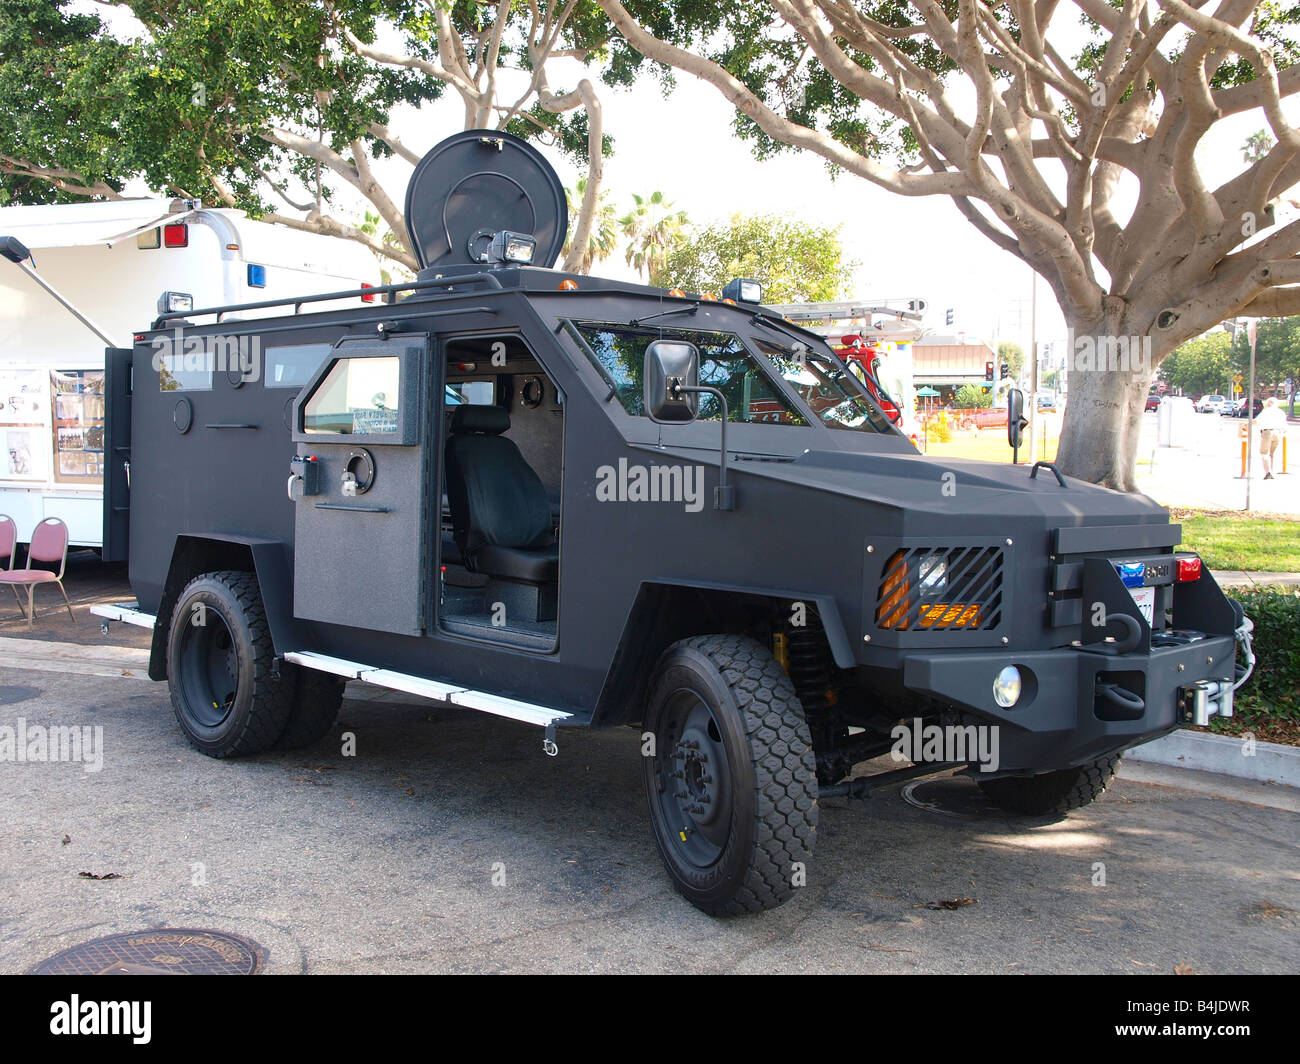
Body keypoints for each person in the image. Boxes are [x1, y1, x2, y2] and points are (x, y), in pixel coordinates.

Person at [1256, 397, 1288, 479]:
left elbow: (1257, 421)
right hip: (1278, 432)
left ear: (1268, 403)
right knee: (1273, 454)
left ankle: (1268, 471)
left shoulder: (1266, 411)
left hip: (1267, 432)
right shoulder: (1281, 412)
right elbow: (1284, 424)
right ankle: (1272, 471)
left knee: (1264, 453)